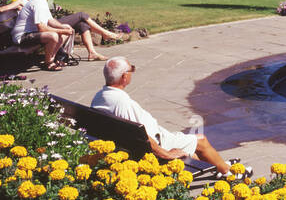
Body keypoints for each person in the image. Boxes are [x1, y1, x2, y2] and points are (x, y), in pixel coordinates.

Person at [91, 57, 249, 179]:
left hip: (132, 143)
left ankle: (219, 165)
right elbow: (143, 137)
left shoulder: (100, 96)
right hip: (156, 145)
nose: (132, 72)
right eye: (131, 69)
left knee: (190, 149)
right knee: (201, 140)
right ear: (124, 77)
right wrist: (167, 154)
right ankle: (228, 173)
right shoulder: (122, 103)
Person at [40, 0, 124, 61]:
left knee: (82, 25)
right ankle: (106, 33)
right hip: (47, 25)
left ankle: (92, 53)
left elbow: (49, 15)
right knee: (81, 15)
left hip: (51, 22)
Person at [9, 0, 74, 71]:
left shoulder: (42, 0)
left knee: (64, 31)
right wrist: (62, 31)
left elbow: (50, 20)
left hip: (31, 33)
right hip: (22, 36)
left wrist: (64, 27)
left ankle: (52, 58)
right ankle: (48, 63)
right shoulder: (38, 2)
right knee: (53, 36)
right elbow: (42, 28)